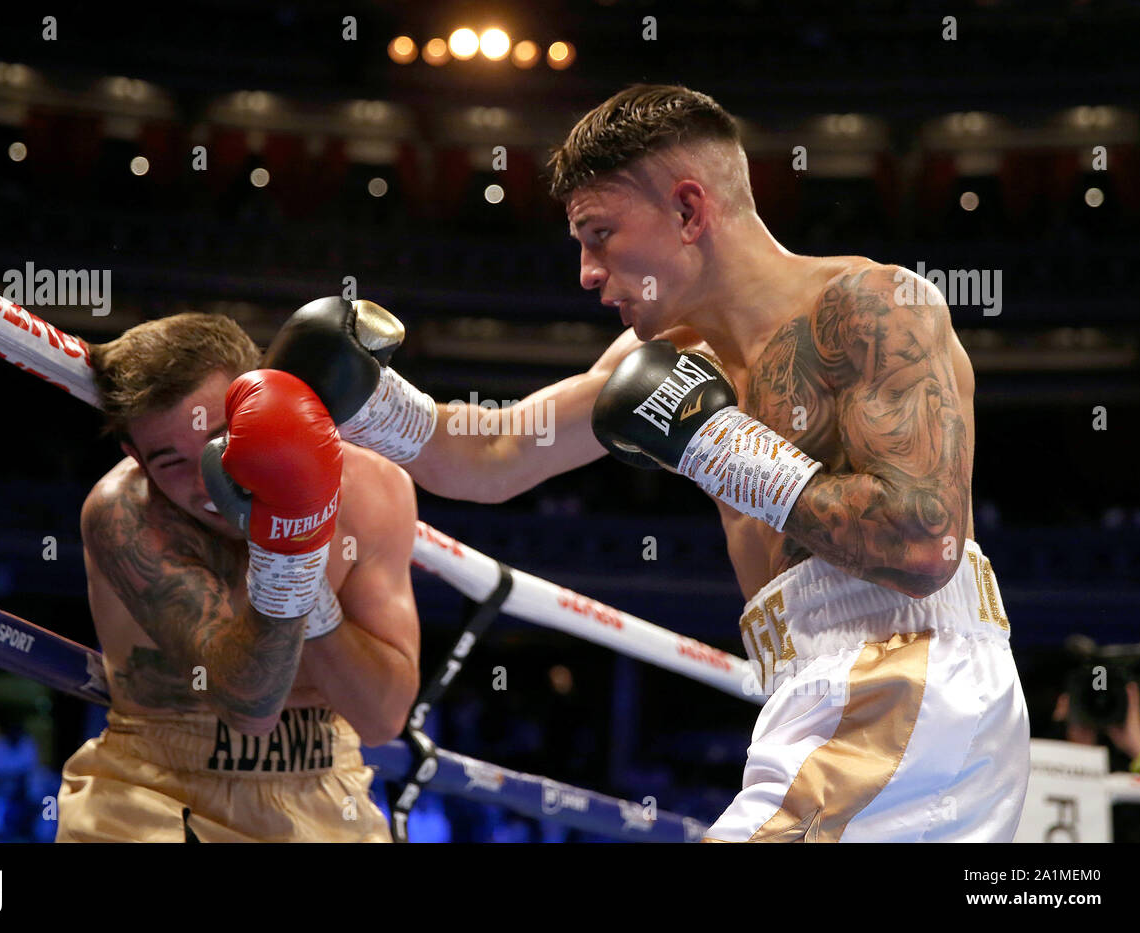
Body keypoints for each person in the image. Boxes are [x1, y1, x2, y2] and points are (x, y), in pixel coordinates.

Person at [264, 85, 1030, 842]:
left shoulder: (875, 305)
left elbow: (924, 544)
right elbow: (492, 451)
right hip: (814, 684)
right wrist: (360, 395)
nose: (587, 272)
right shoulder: (660, 357)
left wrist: (717, 443)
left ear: (689, 210)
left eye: (600, 235)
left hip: (906, 671)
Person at [55, 312, 419, 842]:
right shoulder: (125, 513)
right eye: (171, 462)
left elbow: (383, 718)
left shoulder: (372, 490)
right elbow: (249, 703)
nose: (208, 482)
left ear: (264, 403)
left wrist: (298, 532)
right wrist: (286, 547)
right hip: (158, 791)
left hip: (326, 784)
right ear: (136, 458)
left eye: (221, 439)